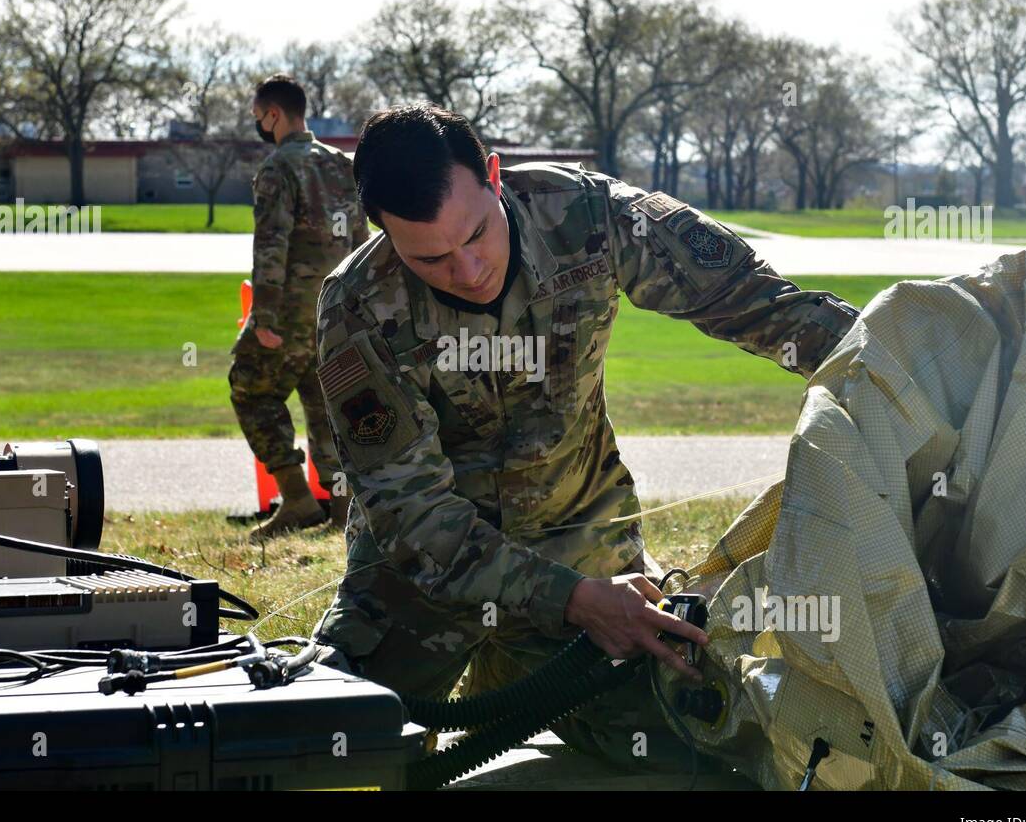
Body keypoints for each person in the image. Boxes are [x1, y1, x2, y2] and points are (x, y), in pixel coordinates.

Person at [310, 104, 859, 767]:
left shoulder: (591, 216)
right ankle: (492, 689)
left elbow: (755, 300)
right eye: (431, 258)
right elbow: (413, 516)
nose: (468, 269)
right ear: (384, 235)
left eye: (477, 235)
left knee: (703, 752)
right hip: (421, 590)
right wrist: (575, 602)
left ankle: (511, 688)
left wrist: (903, 364)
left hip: (586, 556)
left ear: (493, 174)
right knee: (322, 752)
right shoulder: (356, 309)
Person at [230, 74, 368, 542]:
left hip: (288, 312)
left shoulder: (277, 169)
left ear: (273, 114)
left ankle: (297, 499)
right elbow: (359, 244)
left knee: (250, 389)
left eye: (258, 117)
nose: (259, 126)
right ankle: (342, 505)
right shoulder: (342, 166)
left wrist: (263, 319)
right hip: (332, 311)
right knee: (324, 402)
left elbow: (272, 247)